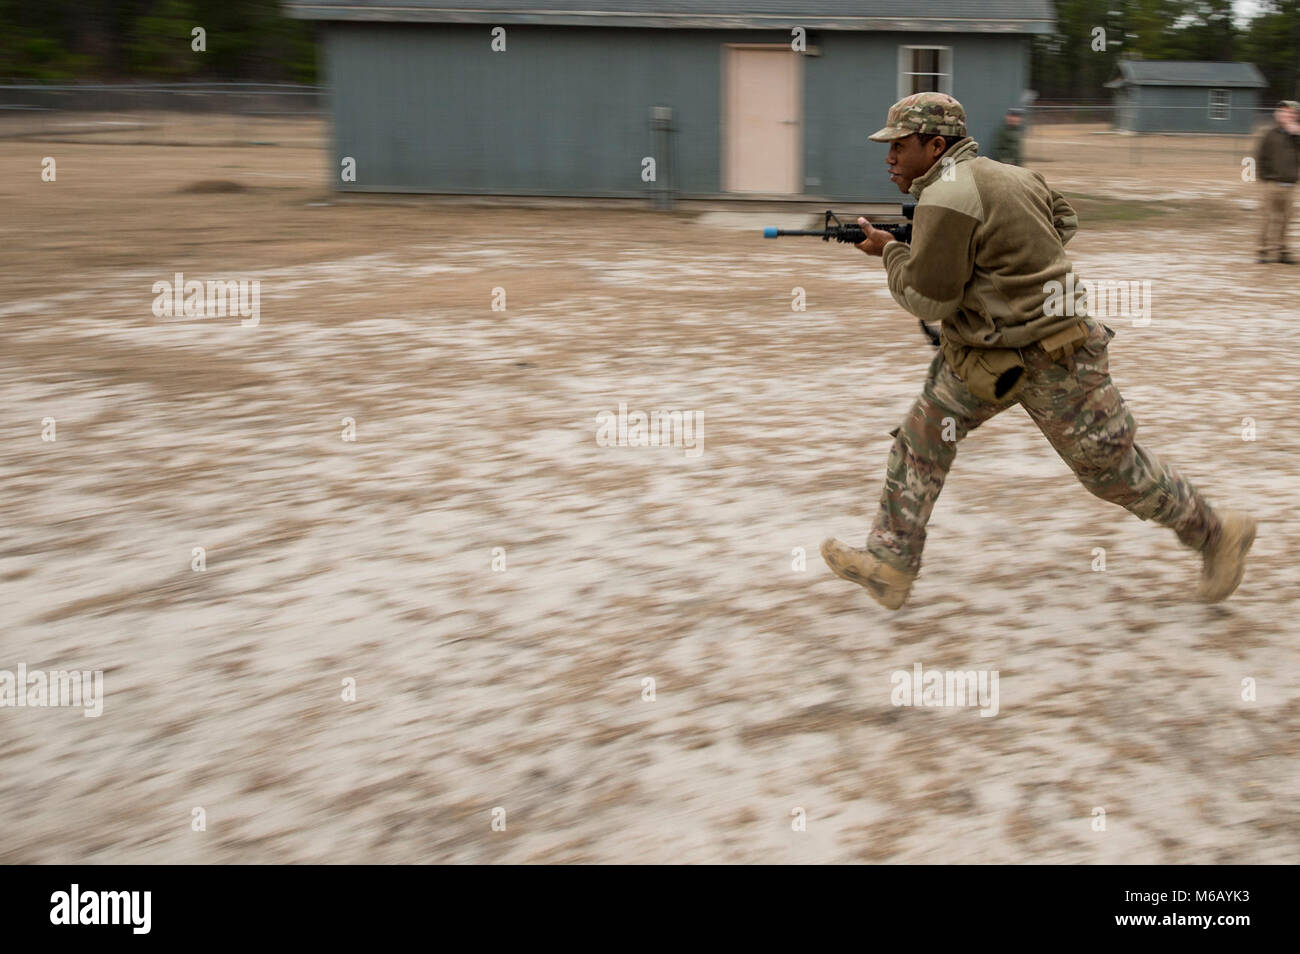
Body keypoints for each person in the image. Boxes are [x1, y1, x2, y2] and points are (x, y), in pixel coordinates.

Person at [820, 92, 1255, 610]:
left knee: (1111, 470)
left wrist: (891, 250)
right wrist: (982, 250)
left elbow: (930, 296)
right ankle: (890, 563)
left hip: (1056, 355)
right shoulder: (1015, 176)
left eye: (899, 146)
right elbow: (1063, 221)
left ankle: (1217, 533)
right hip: (984, 354)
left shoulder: (945, 196)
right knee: (922, 437)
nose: (888, 157)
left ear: (936, 145)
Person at [1255, 99, 1300, 264]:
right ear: (1277, 114)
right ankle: (1263, 252)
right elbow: (1260, 157)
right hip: (1272, 184)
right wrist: (1265, 178)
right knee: (1267, 219)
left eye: (1291, 113)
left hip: (1290, 186)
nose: (1286, 115)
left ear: (1295, 116)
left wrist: (1295, 135)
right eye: (1283, 111)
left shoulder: (1297, 135)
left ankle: (1283, 252)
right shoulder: (1269, 134)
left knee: (1286, 221)